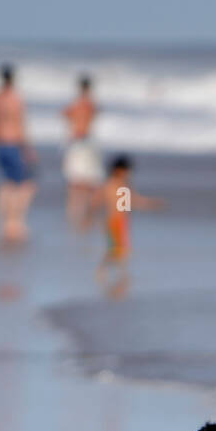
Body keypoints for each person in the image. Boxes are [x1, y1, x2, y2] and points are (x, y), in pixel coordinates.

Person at [97, 155, 165, 293]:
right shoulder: (111, 184)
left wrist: (151, 203)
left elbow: (133, 201)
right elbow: (98, 199)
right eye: (126, 170)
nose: (128, 173)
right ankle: (109, 272)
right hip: (113, 221)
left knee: (120, 249)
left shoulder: (124, 185)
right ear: (118, 170)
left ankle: (115, 272)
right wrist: (91, 214)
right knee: (117, 249)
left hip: (123, 221)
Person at [0, 64, 36, 243]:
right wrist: (28, 148)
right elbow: (20, 123)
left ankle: (4, 224)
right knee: (24, 184)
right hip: (13, 142)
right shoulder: (15, 99)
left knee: (5, 184)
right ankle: (15, 223)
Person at [62, 75, 101, 228]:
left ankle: (73, 213)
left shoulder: (75, 104)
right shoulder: (90, 104)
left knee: (75, 182)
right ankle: (85, 214)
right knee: (90, 181)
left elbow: (65, 114)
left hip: (75, 141)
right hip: (85, 140)